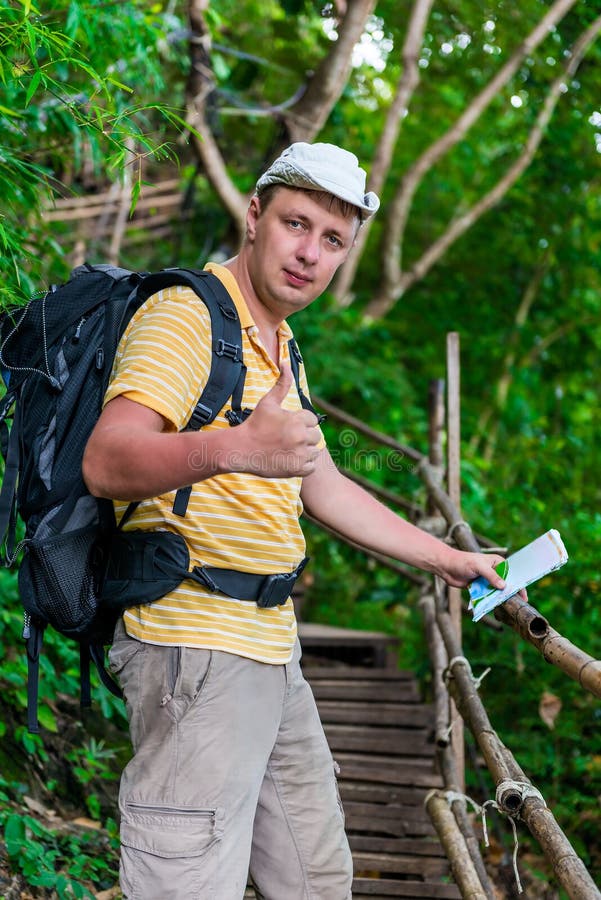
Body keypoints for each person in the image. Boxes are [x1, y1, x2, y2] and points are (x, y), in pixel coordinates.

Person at [82, 142, 508, 900]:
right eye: (295, 225)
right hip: (196, 645)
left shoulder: (279, 341)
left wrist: (445, 558)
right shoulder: (186, 316)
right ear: (254, 215)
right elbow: (109, 461)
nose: (309, 254)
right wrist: (236, 448)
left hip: (273, 655)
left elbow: (324, 482)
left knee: (315, 881)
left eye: (332, 240)